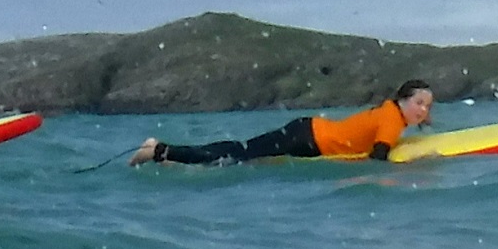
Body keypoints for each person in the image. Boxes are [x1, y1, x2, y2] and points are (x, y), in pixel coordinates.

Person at [128, 79, 435, 167]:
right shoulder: (391, 119)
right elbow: (378, 159)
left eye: (427, 106)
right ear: (403, 99)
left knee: (243, 155)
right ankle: (158, 150)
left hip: (308, 134)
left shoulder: (389, 112)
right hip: (307, 138)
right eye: (419, 102)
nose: (422, 110)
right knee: (237, 155)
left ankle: (169, 157)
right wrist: (417, 165)